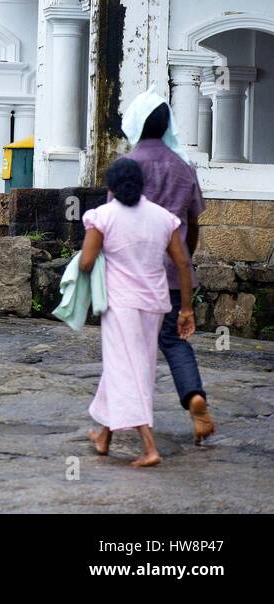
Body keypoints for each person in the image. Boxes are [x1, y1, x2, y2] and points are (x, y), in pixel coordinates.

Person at [82, 157, 195, 468]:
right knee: (132, 366)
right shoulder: (163, 218)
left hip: (121, 304)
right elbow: (183, 264)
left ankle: (149, 446)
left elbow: (86, 263)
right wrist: (186, 309)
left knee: (126, 369)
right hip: (155, 304)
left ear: (111, 188)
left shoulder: (103, 216)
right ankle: (105, 436)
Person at [122, 92, 215, 444]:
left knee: (130, 346)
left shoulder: (128, 166)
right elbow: (192, 224)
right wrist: (183, 262)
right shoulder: (183, 166)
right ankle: (194, 396)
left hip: (134, 272)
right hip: (175, 273)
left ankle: (124, 420)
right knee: (175, 341)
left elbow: (113, 223)